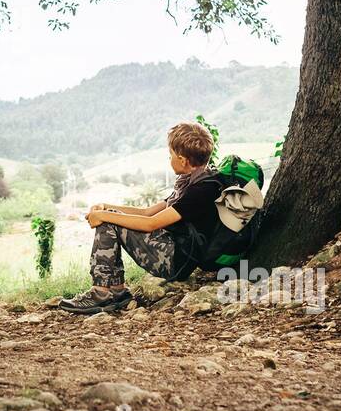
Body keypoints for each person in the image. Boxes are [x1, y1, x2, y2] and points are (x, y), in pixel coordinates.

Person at [59, 122, 221, 315]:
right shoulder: (192, 181)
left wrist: (103, 216)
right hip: (173, 249)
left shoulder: (200, 191)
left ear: (182, 159)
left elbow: (150, 224)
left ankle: (102, 293)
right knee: (111, 218)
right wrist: (107, 207)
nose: (169, 160)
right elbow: (147, 212)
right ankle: (116, 291)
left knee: (109, 222)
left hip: (175, 262)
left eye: (170, 156)